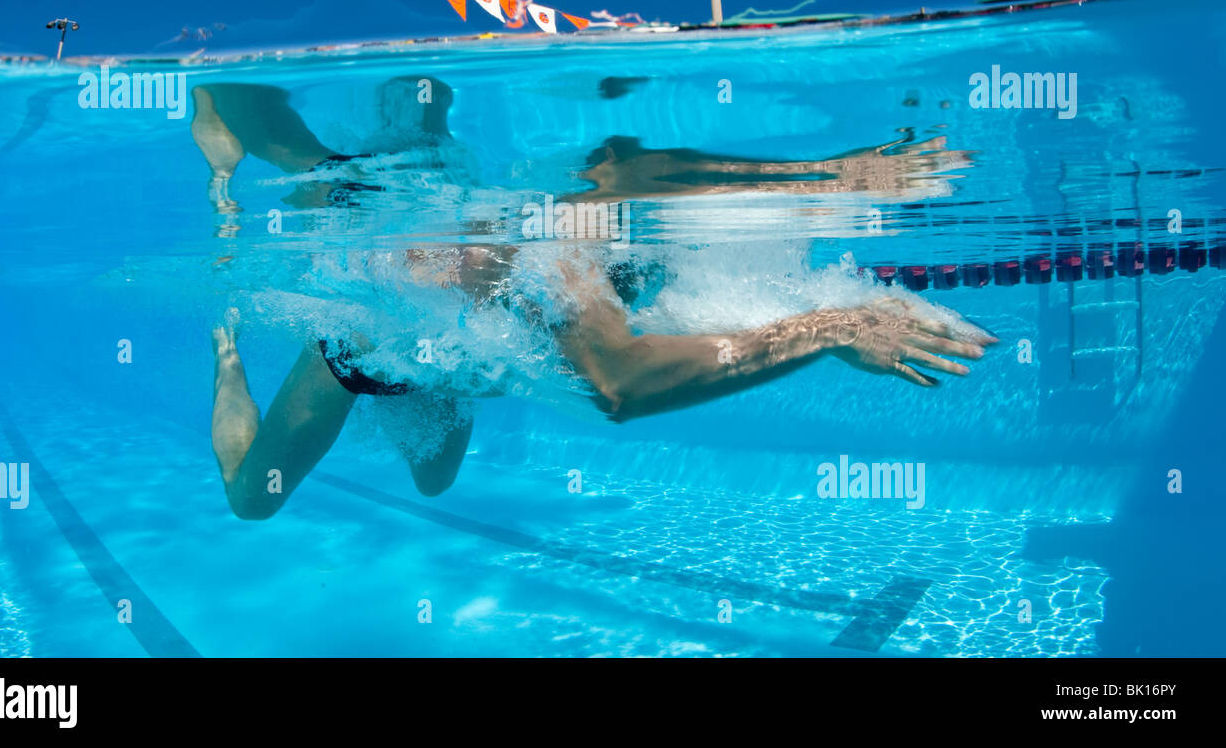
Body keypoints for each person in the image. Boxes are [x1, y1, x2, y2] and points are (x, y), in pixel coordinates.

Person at [191, 77, 993, 520]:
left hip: (447, 354)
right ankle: (229, 349)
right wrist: (834, 323)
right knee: (251, 501)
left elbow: (653, 170)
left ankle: (437, 366)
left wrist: (826, 179)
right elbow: (619, 387)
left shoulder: (609, 215)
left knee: (435, 479)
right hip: (358, 352)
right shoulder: (558, 258)